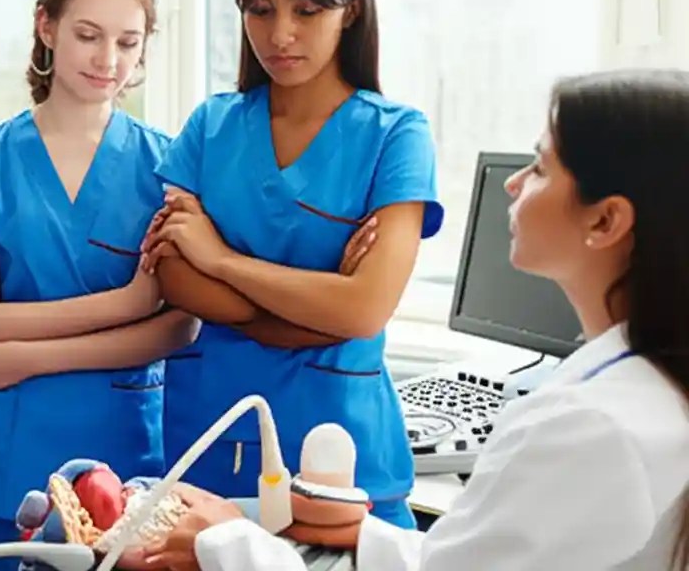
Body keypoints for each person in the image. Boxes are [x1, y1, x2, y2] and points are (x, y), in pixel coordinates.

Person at [147, 68, 689, 571]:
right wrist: (365, 536)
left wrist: (227, 542)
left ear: (606, 219)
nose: (513, 183)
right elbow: (466, 560)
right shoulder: (641, 392)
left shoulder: (591, 429)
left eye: (541, 167)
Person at [138, 0, 444, 530]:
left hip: (344, 460)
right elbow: (172, 273)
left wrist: (223, 261)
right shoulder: (210, 127)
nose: (280, 35)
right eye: (260, 9)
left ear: (350, 9)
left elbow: (364, 310)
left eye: (307, 10)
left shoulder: (396, 136)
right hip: (210, 450)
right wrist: (317, 311)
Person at [0, 0, 198, 569]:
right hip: (3, 454)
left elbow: (181, 323)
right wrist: (130, 302)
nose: (108, 60)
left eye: (128, 42)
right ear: (46, 27)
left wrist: (30, 357)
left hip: (124, 456)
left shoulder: (169, 167)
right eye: (88, 35)